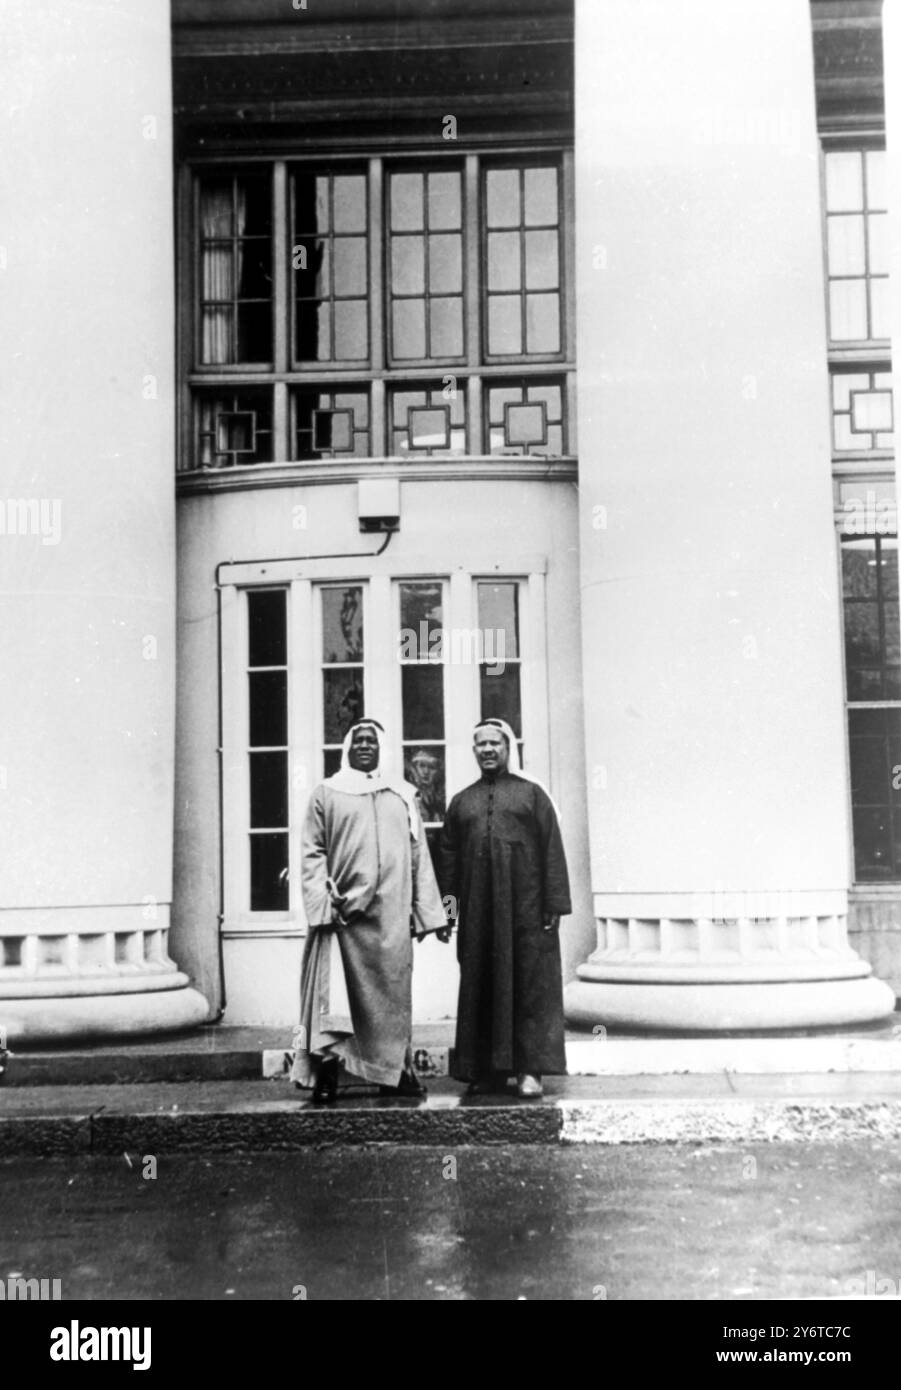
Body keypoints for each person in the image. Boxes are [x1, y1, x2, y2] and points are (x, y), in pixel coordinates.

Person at [291, 718, 449, 1103]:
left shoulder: (401, 795)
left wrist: (429, 913)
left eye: (371, 741)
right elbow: (312, 853)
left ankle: (395, 1074)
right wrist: (322, 905)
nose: (364, 746)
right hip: (343, 918)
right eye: (358, 740)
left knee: (392, 1001)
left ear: (382, 749)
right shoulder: (325, 793)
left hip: (391, 920)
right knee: (334, 1005)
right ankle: (327, 1074)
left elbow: (418, 855)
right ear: (346, 747)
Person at [438, 718, 571, 1099]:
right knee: (481, 985)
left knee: (530, 989)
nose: (488, 750)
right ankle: (486, 1071)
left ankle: (531, 1071)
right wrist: (448, 914)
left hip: (526, 912)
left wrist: (554, 903)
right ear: (474, 750)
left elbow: (552, 850)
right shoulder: (461, 802)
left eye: (495, 743)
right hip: (479, 917)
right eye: (480, 744)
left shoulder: (532, 795)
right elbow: (447, 863)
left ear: (508, 748)